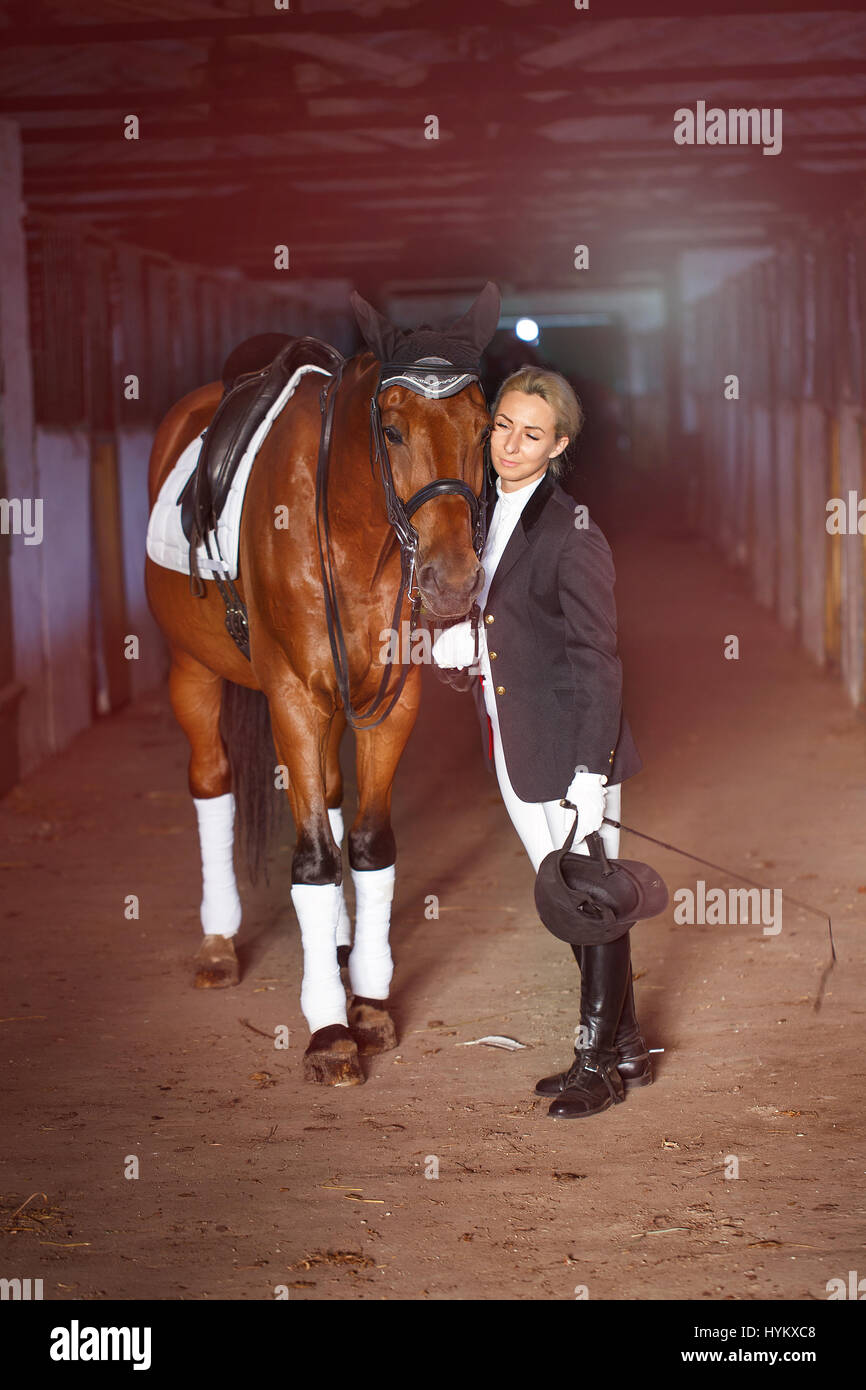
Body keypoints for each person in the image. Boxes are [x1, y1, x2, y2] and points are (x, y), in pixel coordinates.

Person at [432, 366, 649, 1119]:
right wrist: (467, 642)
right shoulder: (486, 507)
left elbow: (598, 657)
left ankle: (599, 1065)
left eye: (531, 434)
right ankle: (625, 1047)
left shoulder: (571, 531)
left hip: (567, 746)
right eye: (502, 427)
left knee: (589, 904)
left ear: (557, 444)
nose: (511, 446)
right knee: (574, 899)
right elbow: (502, 614)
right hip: (515, 738)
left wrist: (594, 769)